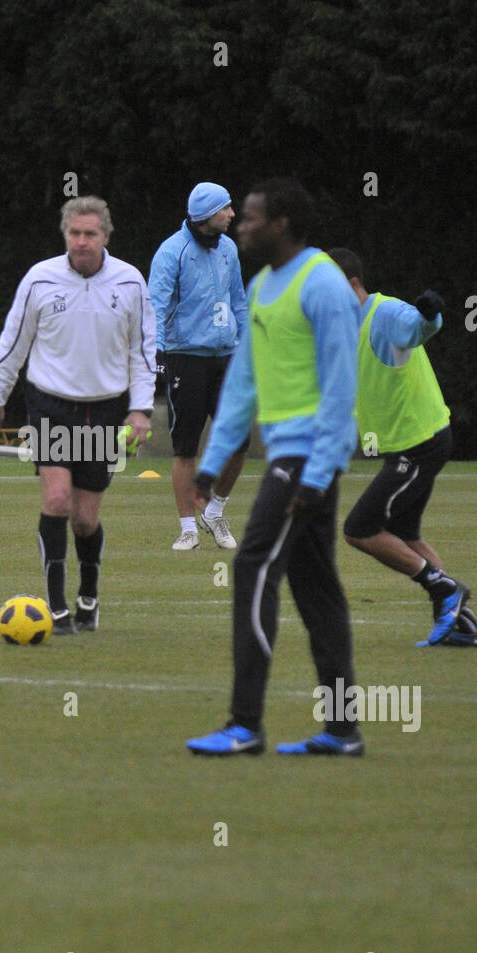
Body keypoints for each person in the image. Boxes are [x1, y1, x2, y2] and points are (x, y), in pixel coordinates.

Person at [185, 179, 364, 757]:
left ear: (282, 223)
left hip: (306, 461)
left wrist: (318, 472)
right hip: (292, 459)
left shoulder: (324, 285)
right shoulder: (261, 286)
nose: (241, 225)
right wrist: (211, 465)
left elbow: (342, 388)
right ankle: (341, 732)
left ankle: (244, 725)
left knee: (253, 569)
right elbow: (242, 387)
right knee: (318, 592)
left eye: (253, 217)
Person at [0, 196, 155, 634]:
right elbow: (13, 341)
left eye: (90, 234)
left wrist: (140, 409)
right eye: (74, 234)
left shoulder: (130, 282)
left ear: (106, 237)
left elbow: (143, 351)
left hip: (104, 409)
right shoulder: (40, 279)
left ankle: (88, 596)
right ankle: (55, 607)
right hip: (51, 404)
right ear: (65, 235)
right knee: (56, 500)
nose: (81, 242)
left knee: (84, 517)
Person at [329, 247, 477, 647]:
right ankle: (461, 625)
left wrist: (430, 314)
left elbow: (416, 328)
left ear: (352, 286)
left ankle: (444, 589)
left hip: (419, 444)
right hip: (414, 442)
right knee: (405, 534)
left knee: (359, 529)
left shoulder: (384, 314)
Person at [149, 182, 249, 551]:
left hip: (226, 357)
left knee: (238, 442)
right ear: (208, 214)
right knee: (186, 448)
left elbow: (237, 300)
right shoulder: (171, 252)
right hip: (185, 359)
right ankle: (188, 527)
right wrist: (156, 353)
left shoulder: (229, 248)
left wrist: (245, 347)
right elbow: (155, 306)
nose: (232, 214)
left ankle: (215, 510)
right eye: (226, 208)